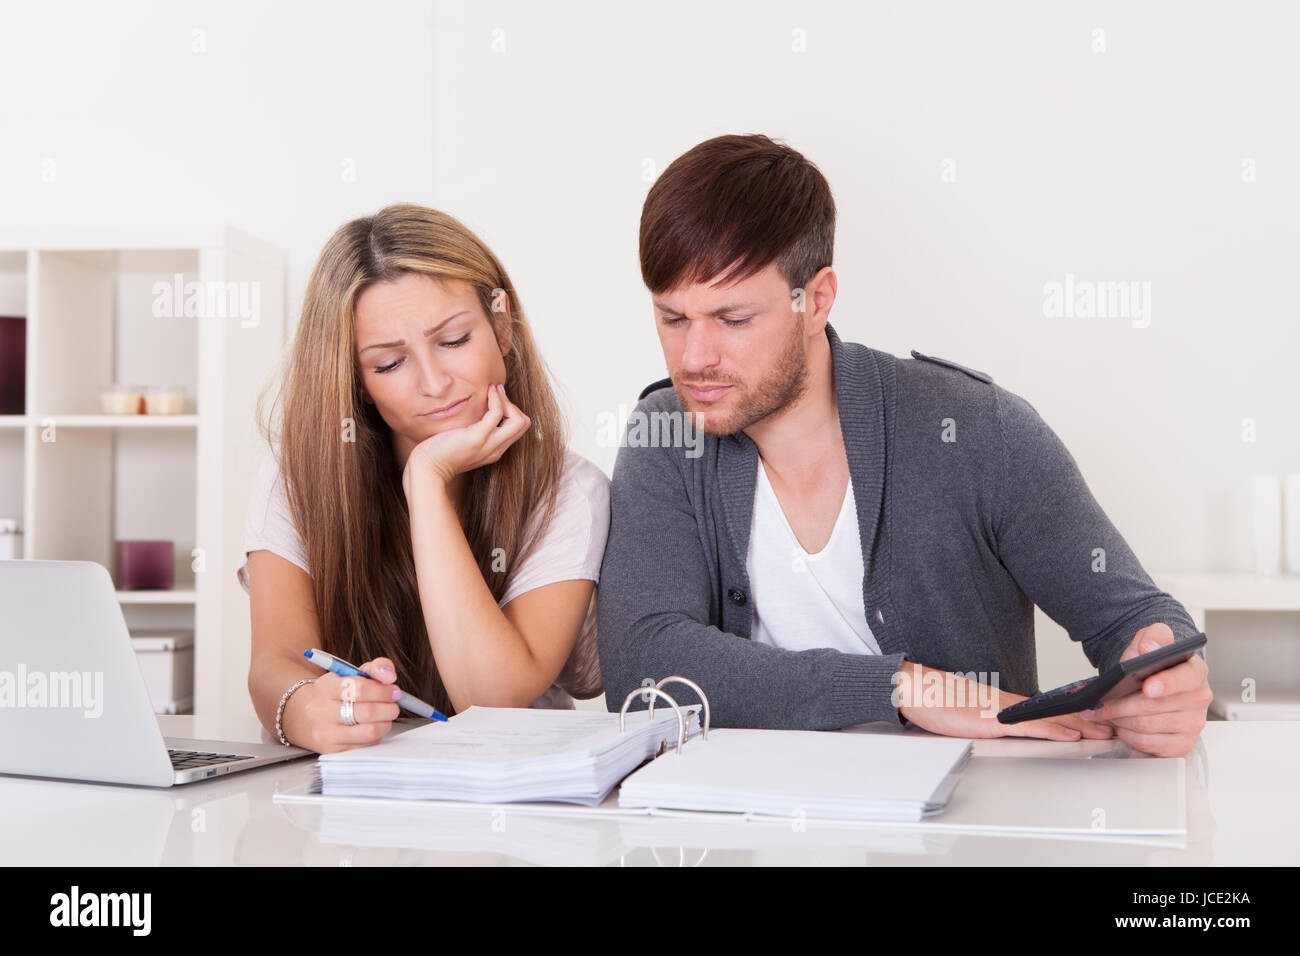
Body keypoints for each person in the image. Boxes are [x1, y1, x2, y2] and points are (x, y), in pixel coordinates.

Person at [598, 134, 1211, 757]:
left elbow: (1133, 620)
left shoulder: (975, 429)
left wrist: (1166, 686)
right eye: (672, 319)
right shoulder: (667, 436)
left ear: (816, 299)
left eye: (733, 320)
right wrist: (896, 687)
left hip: (961, 835)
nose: (694, 360)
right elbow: (641, 666)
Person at [240, 204, 609, 754]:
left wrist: (427, 481)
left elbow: (492, 701)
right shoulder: (294, 475)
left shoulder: (570, 490)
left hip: (515, 799)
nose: (435, 383)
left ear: (502, 324)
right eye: (389, 364)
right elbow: (276, 663)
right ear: (356, 380)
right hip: (355, 802)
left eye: (455, 340)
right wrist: (302, 708)